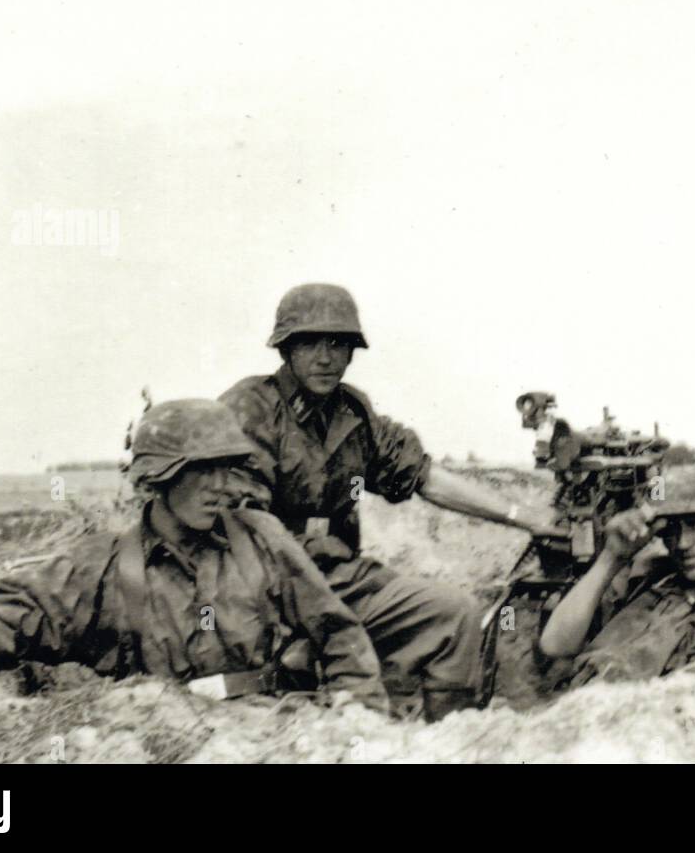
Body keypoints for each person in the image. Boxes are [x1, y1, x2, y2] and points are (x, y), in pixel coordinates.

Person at [0, 399, 389, 712]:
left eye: (226, 469)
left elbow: (339, 634)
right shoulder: (100, 565)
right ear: (158, 478)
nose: (219, 487)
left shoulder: (262, 537)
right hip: (173, 740)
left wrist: (355, 718)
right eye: (200, 470)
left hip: (274, 730)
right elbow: (12, 615)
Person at [219, 282, 561, 720]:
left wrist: (524, 517)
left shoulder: (354, 414)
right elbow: (241, 525)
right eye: (310, 344)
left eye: (339, 344)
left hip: (339, 577)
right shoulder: (250, 409)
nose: (326, 357)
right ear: (286, 348)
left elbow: (424, 476)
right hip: (265, 588)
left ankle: (446, 744)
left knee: (455, 613)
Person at [538, 496, 695, 686]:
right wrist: (611, 558)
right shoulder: (650, 579)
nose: (682, 543)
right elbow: (555, 645)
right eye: (672, 530)